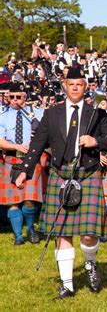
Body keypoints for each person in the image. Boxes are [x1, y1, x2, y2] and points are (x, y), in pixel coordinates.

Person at [14, 67, 107, 299]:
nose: (75, 88)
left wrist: (96, 141)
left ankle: (90, 263)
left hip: (87, 173)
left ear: (85, 87)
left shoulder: (96, 114)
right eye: (71, 84)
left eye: (80, 84)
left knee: (88, 234)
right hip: (60, 174)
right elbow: (38, 144)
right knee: (62, 233)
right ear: (64, 86)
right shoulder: (52, 113)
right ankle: (67, 285)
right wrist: (25, 170)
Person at [0, 82, 43, 245]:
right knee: (12, 202)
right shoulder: (3, 116)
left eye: (19, 97)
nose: (15, 100)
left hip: (31, 159)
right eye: (12, 97)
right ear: (8, 97)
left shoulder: (36, 114)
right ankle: (18, 236)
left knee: (29, 199)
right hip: (11, 159)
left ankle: (31, 229)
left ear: (24, 97)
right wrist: (16, 146)